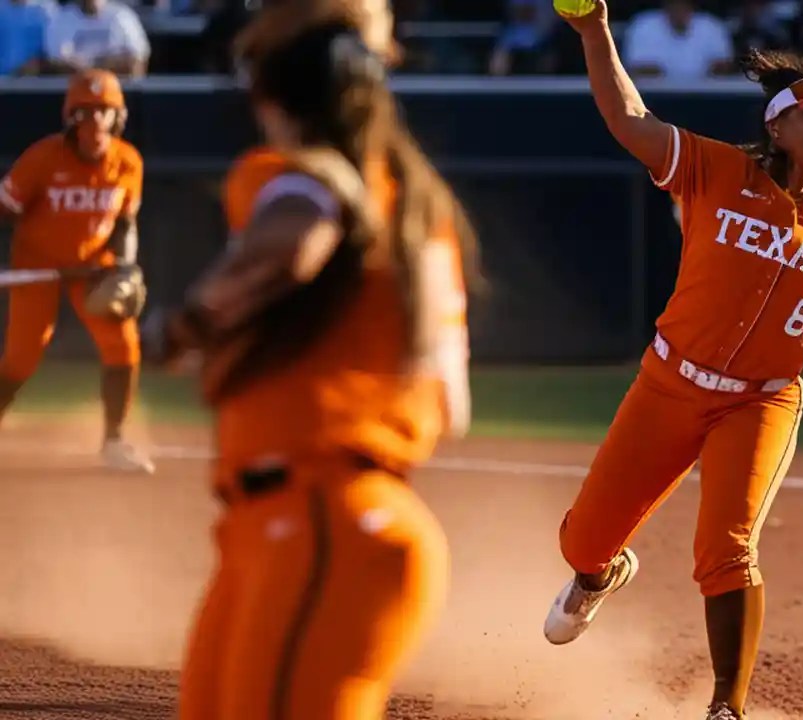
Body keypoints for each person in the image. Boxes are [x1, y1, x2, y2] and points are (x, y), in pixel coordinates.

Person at [543, 3, 803, 719]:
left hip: (762, 400)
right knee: (584, 540)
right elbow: (628, 118)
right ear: (777, 126)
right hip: (669, 382)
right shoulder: (714, 171)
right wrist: (594, 29)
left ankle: (726, 707)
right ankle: (599, 576)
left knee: (727, 551)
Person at [143, 0, 477, 715]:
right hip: (296, 523)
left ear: (267, 91)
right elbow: (455, 406)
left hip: (323, 516)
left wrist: (183, 325)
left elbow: (295, 240)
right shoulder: (411, 199)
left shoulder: (306, 176)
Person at [0, 69, 154, 474]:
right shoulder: (43, 157)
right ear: (70, 118)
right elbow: (4, 210)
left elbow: (125, 222)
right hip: (39, 264)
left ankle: (115, 441)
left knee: (123, 343)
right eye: (85, 113)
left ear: (119, 116)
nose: (95, 122)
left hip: (92, 266)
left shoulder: (128, 162)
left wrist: (124, 264)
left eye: (104, 111)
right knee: (22, 358)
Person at [42, 0, 150, 77]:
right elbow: (58, 64)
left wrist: (89, 66)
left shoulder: (122, 16)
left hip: (117, 93)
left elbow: (136, 61)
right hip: (74, 95)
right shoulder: (61, 19)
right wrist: (108, 64)